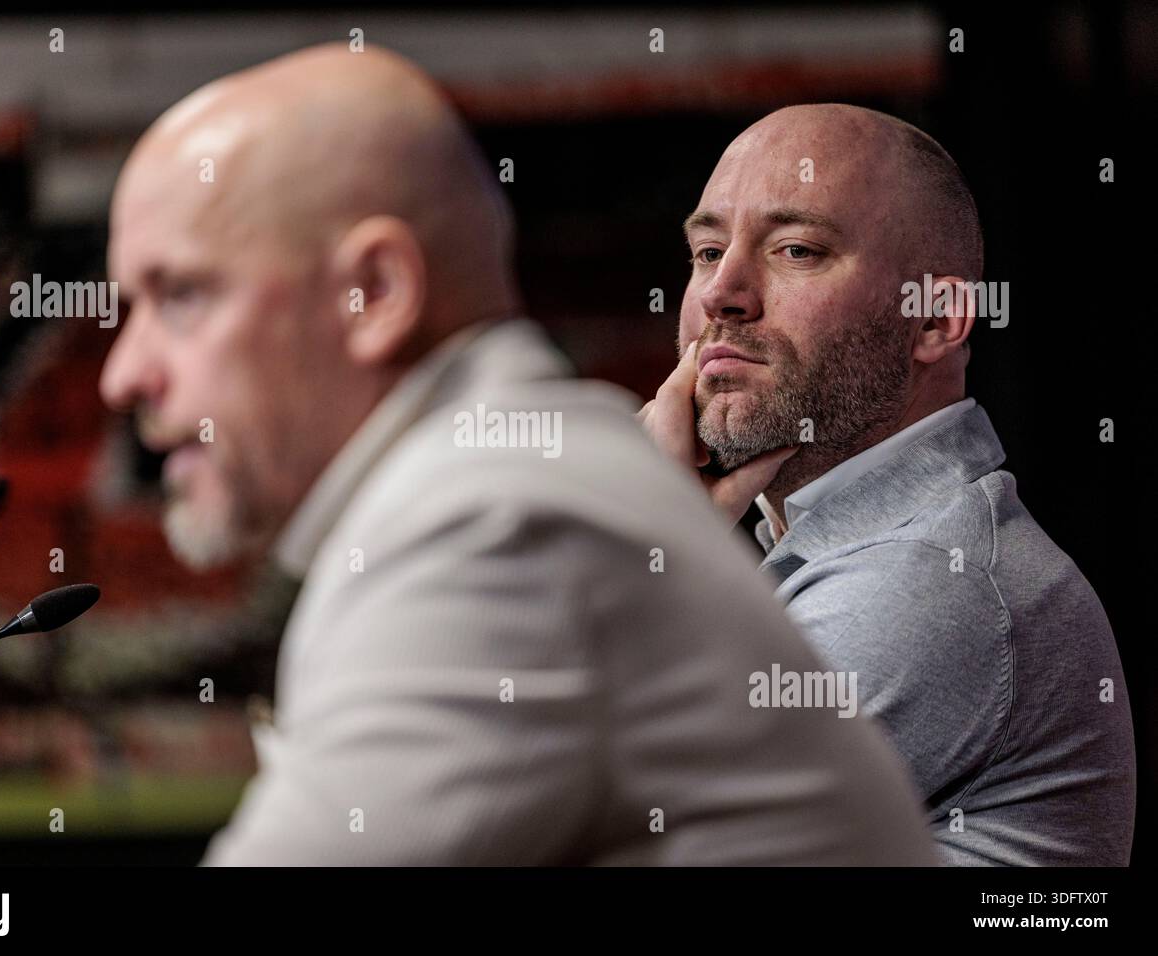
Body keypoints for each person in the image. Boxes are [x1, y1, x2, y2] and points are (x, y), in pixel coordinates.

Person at [99, 48, 935, 865]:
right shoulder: (531, 468)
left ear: (376, 295)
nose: (121, 375)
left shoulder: (484, 523)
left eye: (182, 297)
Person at [641, 103, 1135, 865]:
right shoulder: (835, 549)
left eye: (796, 249)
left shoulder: (927, 580)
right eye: (707, 251)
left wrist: (635, 538)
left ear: (937, 319)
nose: (721, 294)